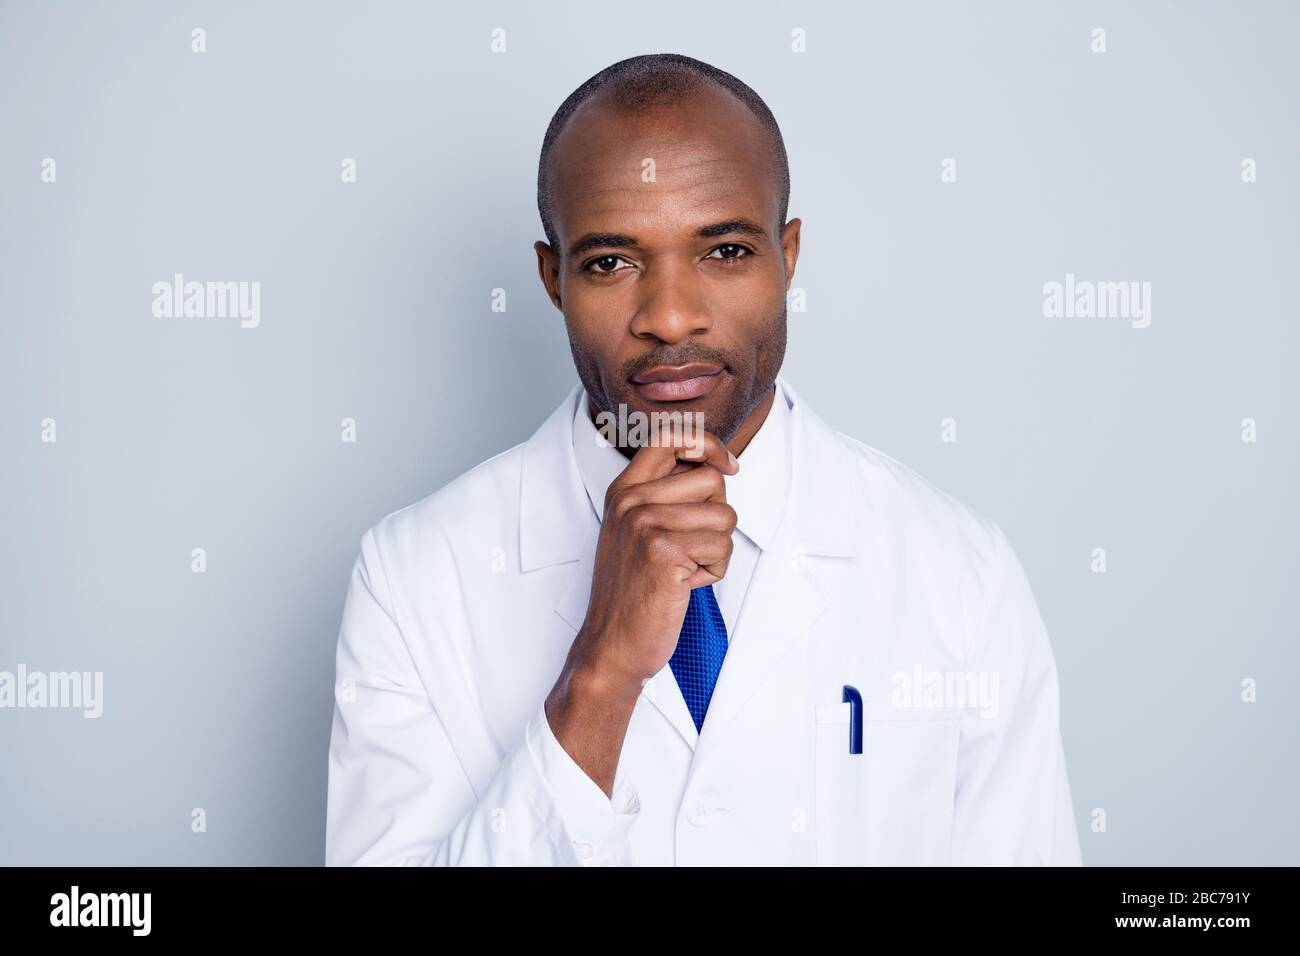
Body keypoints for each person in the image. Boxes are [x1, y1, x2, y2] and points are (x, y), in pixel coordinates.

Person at [325, 53, 1083, 866]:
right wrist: (602, 674)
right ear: (552, 278)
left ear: (787, 254)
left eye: (723, 252)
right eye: (611, 262)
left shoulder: (958, 574)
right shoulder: (412, 578)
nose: (672, 318)